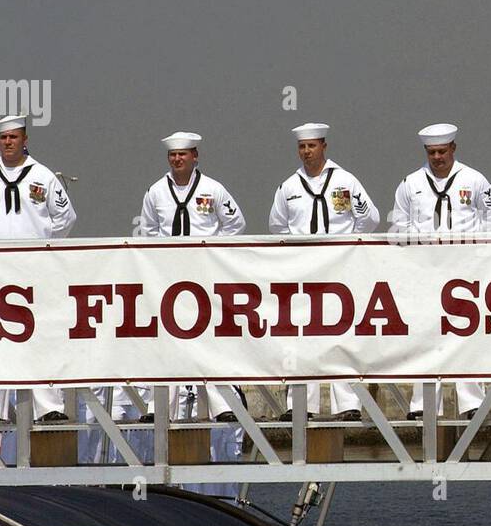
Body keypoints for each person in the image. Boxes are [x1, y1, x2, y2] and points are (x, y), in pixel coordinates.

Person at [139, 130, 247, 494]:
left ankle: (220, 404)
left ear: (195, 156)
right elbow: (149, 232)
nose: (177, 161)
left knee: (209, 345)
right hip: (171, 278)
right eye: (173, 156)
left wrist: (212, 253)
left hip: (203, 275)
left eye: (183, 156)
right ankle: (162, 407)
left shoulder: (214, 190)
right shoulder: (156, 192)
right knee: (169, 347)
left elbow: (235, 225)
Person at [0, 114, 76, 423]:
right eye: (3, 138)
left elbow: (66, 218)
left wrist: (42, 244)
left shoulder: (44, 176)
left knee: (40, 332)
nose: (8, 142)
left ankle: (48, 405)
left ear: (25, 140)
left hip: (34, 266)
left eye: (13, 137)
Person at [390, 122, 491, 420]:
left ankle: (471, 402)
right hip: (426, 271)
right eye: (431, 152)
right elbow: (398, 225)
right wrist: (419, 247)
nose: (437, 157)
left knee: (465, 334)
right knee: (426, 336)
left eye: (442, 151)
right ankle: (424, 403)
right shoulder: (410, 184)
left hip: (464, 270)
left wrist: (473, 252)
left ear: (453, 148)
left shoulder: (474, 180)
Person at [269, 122, 379, 420]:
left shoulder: (345, 181)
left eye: (312, 146)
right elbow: (277, 227)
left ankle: (348, 405)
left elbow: (369, 219)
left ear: (324, 147)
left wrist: (344, 247)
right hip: (304, 273)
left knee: (341, 335)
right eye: (302, 147)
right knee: (301, 338)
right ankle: (302, 405)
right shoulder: (289, 186)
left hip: (338, 270)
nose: (307, 152)